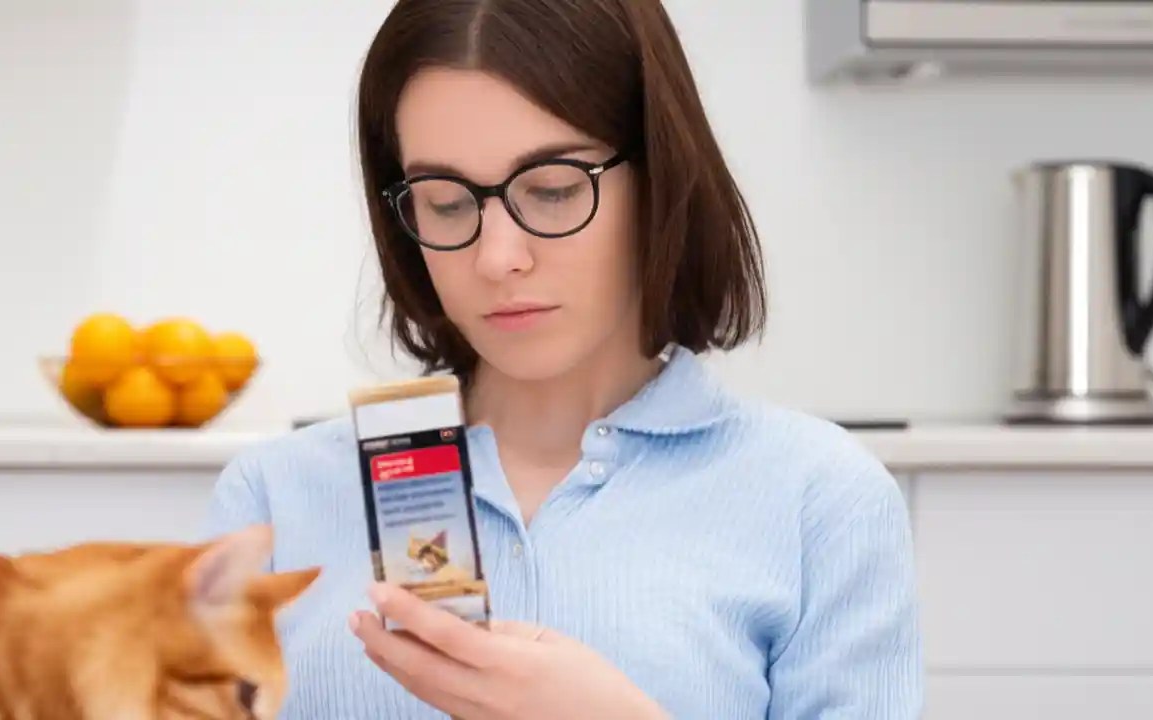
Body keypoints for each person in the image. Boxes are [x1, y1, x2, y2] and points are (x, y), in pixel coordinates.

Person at [203, 0, 922, 718]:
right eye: (446, 203)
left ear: (660, 177)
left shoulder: (819, 500)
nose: (498, 258)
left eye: (552, 191)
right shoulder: (274, 498)